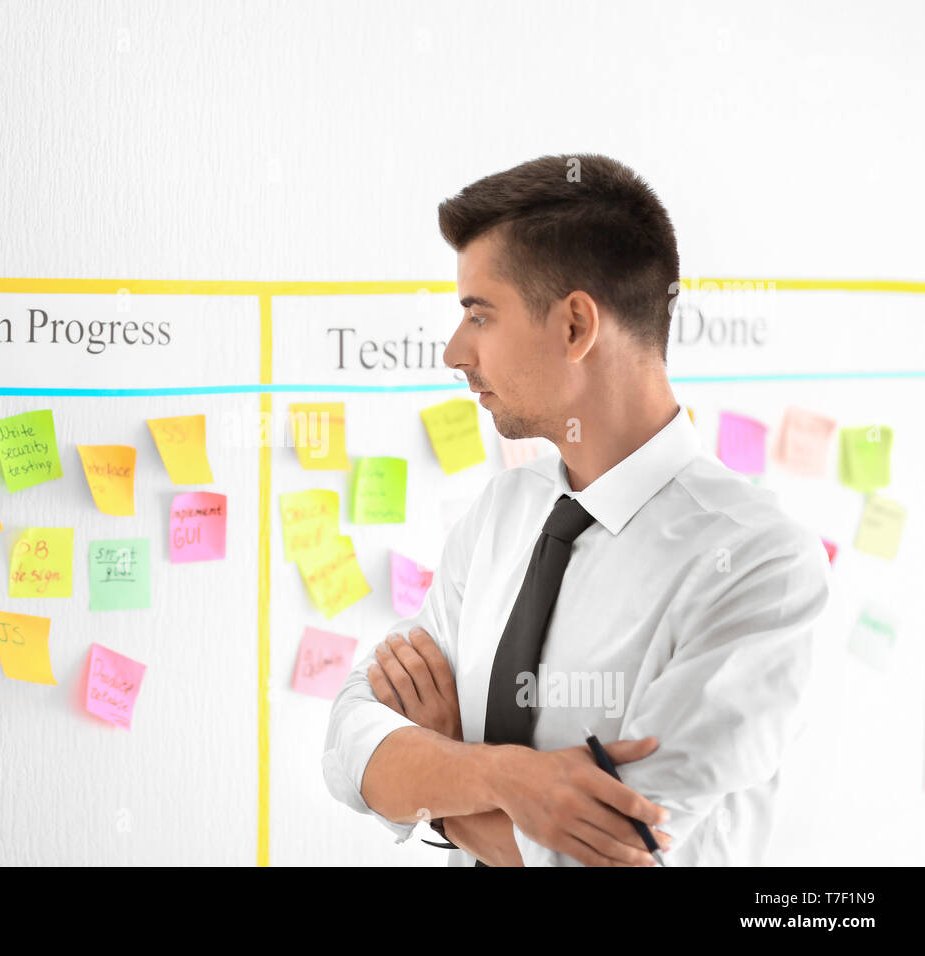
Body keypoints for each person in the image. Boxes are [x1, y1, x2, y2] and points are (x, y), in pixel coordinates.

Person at [322, 153, 832, 866]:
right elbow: (350, 740)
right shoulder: (504, 510)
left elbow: (605, 853)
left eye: (479, 314)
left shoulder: (758, 561)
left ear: (574, 327)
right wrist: (498, 775)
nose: (454, 350)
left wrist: (441, 768)